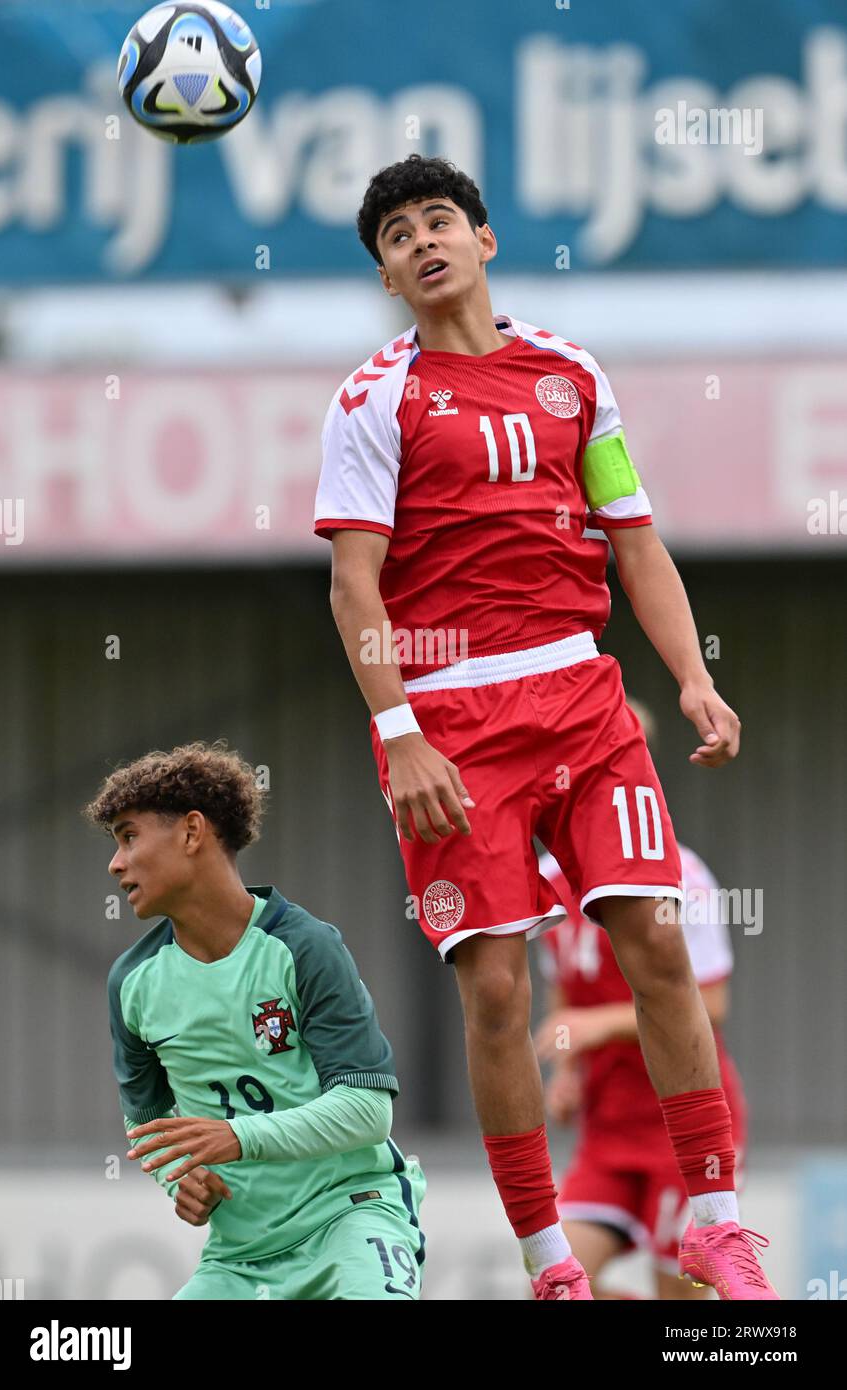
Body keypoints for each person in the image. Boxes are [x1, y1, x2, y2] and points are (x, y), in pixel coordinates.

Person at [313, 153, 776, 1299]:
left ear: (484, 239)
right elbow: (353, 588)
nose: (421, 242)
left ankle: (715, 1218)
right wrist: (402, 731)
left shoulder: (572, 373)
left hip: (583, 693)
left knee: (658, 939)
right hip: (453, 721)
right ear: (385, 277)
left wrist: (691, 680)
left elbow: (636, 539)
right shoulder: (375, 398)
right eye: (396, 238)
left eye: (438, 221)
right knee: (500, 991)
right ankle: (550, 1259)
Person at [84, 740, 425, 1301]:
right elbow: (147, 1128)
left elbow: (368, 1113)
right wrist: (183, 1178)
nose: (116, 863)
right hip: (240, 1257)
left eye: (129, 836)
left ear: (192, 833)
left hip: (352, 1216)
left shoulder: (305, 948)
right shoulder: (133, 983)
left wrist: (235, 1137)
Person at [534, 702, 750, 1300]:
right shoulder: (551, 880)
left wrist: (596, 1027)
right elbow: (563, 997)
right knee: (556, 1285)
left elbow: (711, 1006)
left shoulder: (682, 873)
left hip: (681, 1124)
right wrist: (569, 1071)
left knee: (678, 1293)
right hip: (610, 1129)